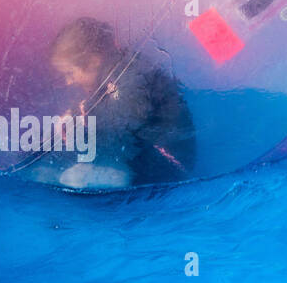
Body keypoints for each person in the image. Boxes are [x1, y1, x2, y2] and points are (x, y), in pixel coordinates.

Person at [47, 17, 196, 188]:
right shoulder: (114, 71)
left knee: (72, 179)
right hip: (144, 155)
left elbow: (124, 122)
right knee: (56, 167)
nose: (68, 82)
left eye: (71, 73)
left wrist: (80, 117)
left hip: (168, 165)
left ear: (94, 61)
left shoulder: (130, 76)